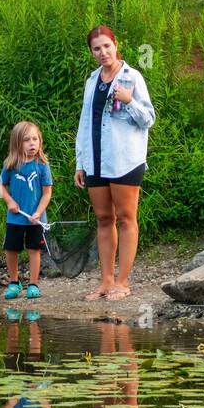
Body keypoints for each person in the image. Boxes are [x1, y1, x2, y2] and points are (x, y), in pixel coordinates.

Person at [73, 25, 156, 302]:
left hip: (125, 159)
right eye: (97, 48)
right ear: (91, 52)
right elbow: (85, 122)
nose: (102, 52)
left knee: (126, 217)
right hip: (96, 160)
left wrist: (129, 100)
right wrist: (80, 161)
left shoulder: (133, 78)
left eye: (107, 46)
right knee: (104, 218)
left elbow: (148, 119)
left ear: (116, 44)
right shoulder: (92, 81)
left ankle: (123, 281)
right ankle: (106, 281)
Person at [0, 121, 53, 301]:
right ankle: (14, 282)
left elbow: (46, 194)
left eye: (35, 139)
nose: (32, 143)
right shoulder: (11, 165)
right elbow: (0, 186)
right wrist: (9, 200)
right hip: (15, 218)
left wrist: (38, 213)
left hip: (35, 219)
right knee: (11, 249)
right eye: (27, 140)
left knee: (33, 249)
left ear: (40, 141)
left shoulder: (42, 165)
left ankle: (33, 284)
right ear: (17, 143)